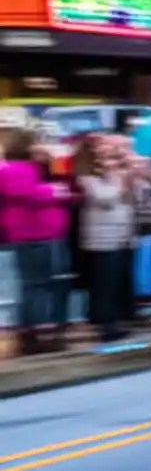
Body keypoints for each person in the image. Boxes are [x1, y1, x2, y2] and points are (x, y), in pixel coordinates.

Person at [0, 129, 73, 354]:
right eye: (36, 143)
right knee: (37, 286)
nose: (40, 147)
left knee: (35, 284)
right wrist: (52, 191)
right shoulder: (15, 169)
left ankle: (32, 331)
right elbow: (23, 193)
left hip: (36, 234)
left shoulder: (24, 168)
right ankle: (40, 334)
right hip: (32, 234)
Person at [78, 133, 136, 342]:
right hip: (101, 238)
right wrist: (117, 176)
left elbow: (130, 199)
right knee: (103, 283)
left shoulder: (118, 173)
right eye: (105, 153)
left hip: (121, 235)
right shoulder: (86, 175)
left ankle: (117, 319)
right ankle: (104, 325)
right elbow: (104, 198)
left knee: (116, 282)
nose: (110, 157)